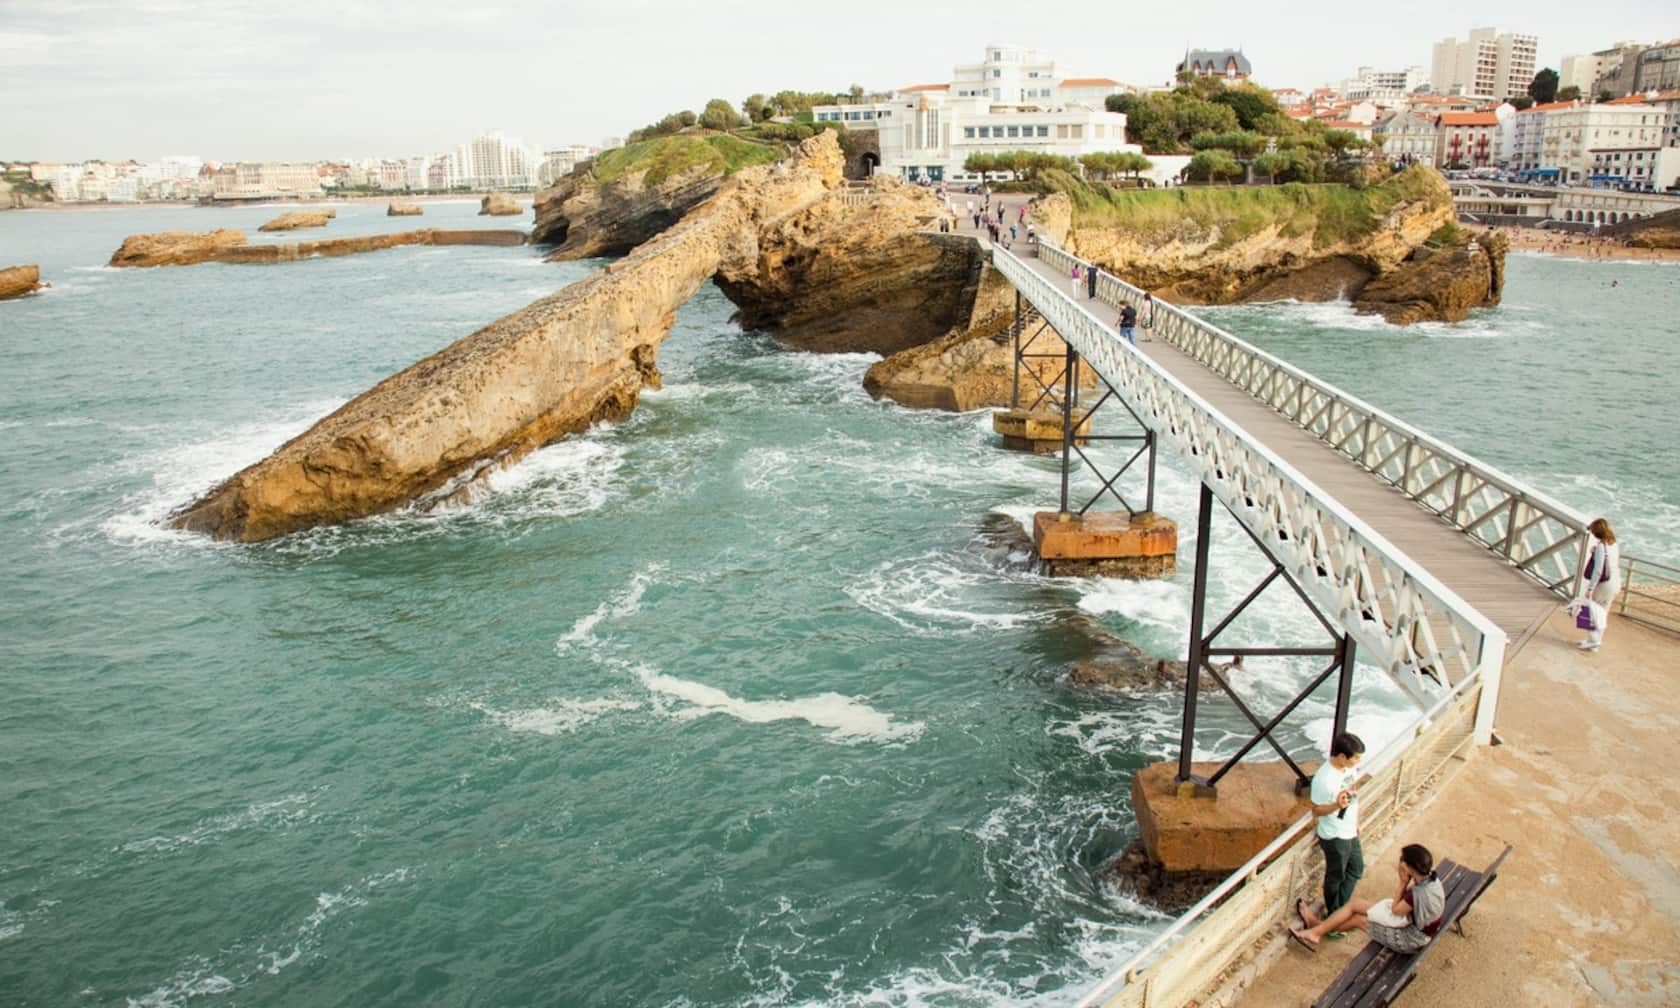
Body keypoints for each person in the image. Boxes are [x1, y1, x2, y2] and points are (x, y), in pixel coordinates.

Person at [1291, 844, 1446, 953]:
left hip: (1411, 939)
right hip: (1417, 924)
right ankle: (1317, 929)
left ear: (1408, 866)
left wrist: (1403, 881)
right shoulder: (1432, 879)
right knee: (1356, 904)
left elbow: (1396, 910)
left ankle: (1317, 930)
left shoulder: (1417, 894)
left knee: (1358, 920)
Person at [1310, 732, 1365, 921]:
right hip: (1335, 835)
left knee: (1357, 868)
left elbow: (1352, 794)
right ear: (1342, 756)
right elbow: (1316, 810)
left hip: (1350, 831)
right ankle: (1334, 915)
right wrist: (1336, 806)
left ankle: (1338, 911)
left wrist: (1356, 822)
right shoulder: (1323, 779)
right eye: (1356, 757)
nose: (1358, 761)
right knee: (1336, 876)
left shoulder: (1348, 769)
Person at [1570, 517, 1622, 651]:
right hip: (1615, 582)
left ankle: (1593, 641)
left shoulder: (1601, 547)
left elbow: (1598, 570)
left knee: (1594, 612)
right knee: (1603, 612)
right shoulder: (1614, 544)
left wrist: (1591, 588)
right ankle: (1595, 641)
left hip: (1603, 584)